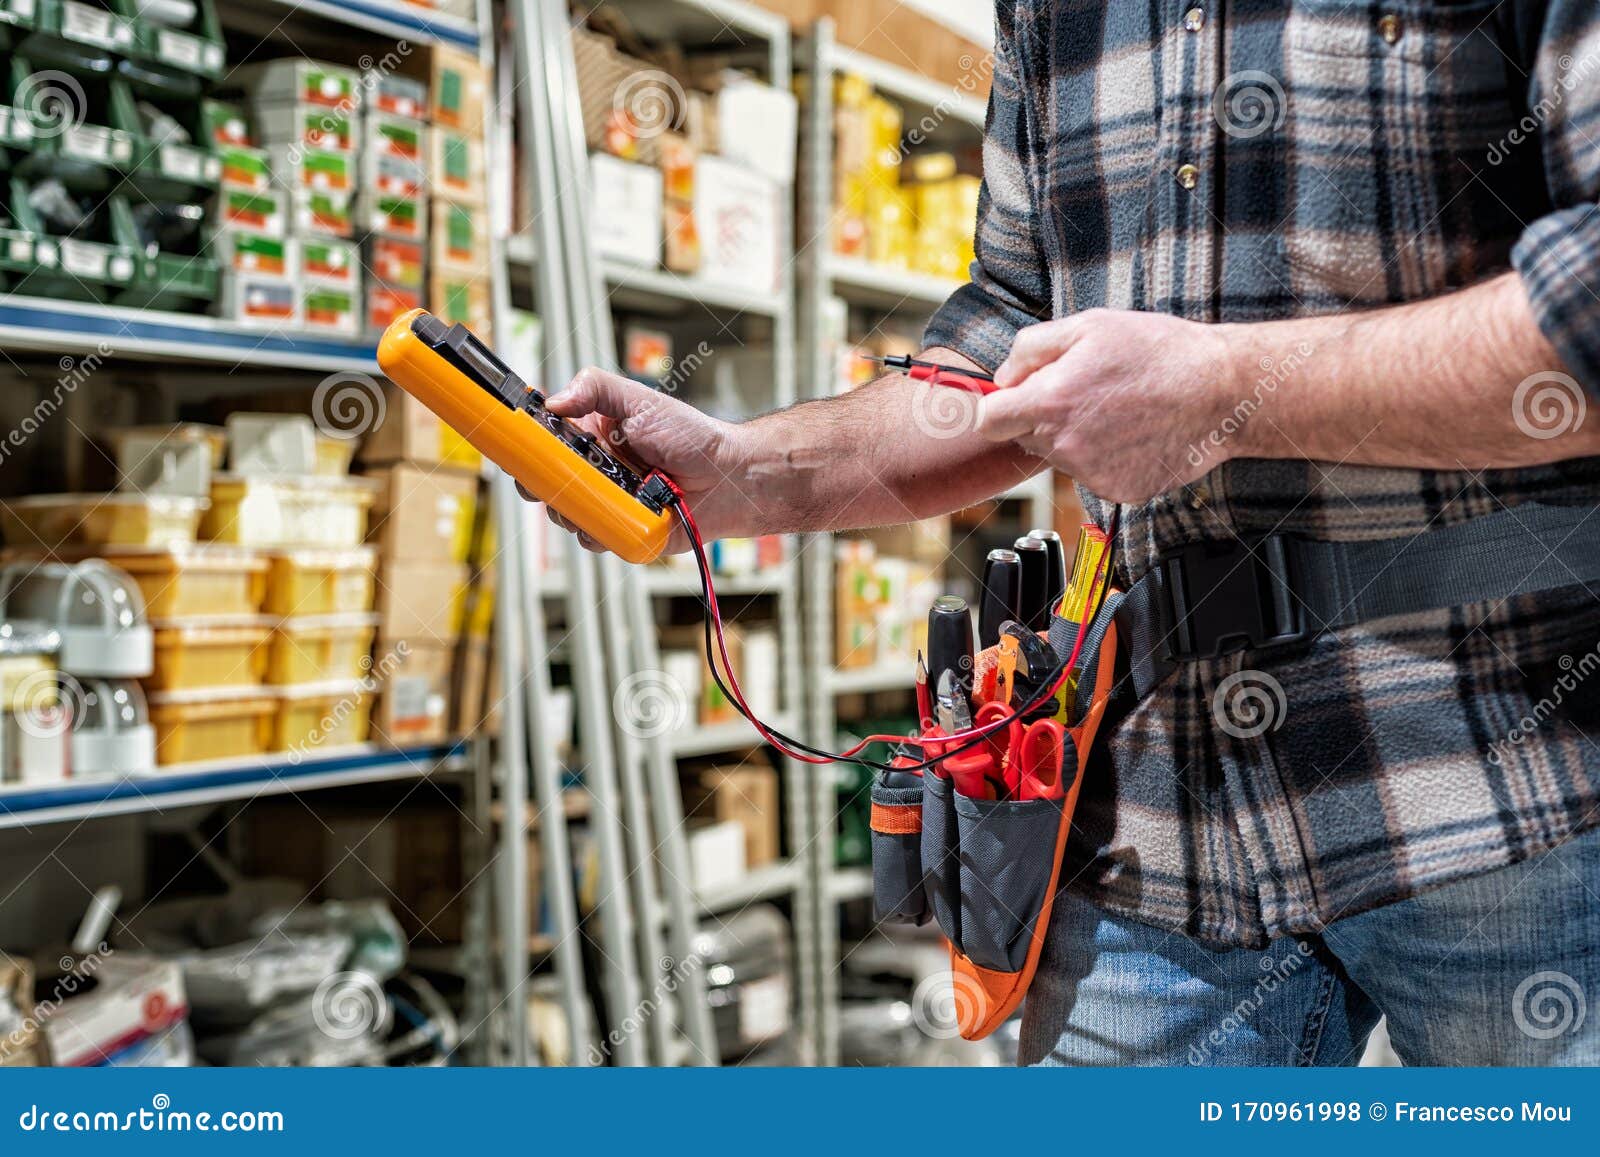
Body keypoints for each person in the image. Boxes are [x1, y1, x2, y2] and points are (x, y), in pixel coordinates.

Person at [544, 2, 1600, 1065]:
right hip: (1150, 804)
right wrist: (738, 474)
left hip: (1509, 771)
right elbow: (1000, 342)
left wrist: (1230, 389)